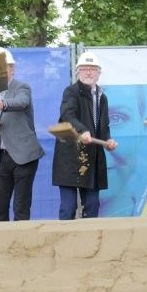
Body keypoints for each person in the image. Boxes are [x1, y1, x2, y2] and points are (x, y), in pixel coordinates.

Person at [52, 51, 118, 219]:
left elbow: (104, 126)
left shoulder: (103, 98)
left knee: (92, 207)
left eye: (92, 69)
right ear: (78, 72)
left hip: (92, 159)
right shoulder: (71, 92)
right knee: (68, 208)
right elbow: (67, 114)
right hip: (70, 158)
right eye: (84, 68)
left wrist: (107, 140)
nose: (88, 72)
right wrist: (82, 130)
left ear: (99, 73)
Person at [0, 47, 45, 221]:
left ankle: (22, 247)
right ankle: (1, 246)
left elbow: (22, 102)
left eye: (3, 67)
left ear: (12, 68)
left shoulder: (22, 87)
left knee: (21, 207)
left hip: (24, 156)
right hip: (2, 158)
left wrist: (2, 104)